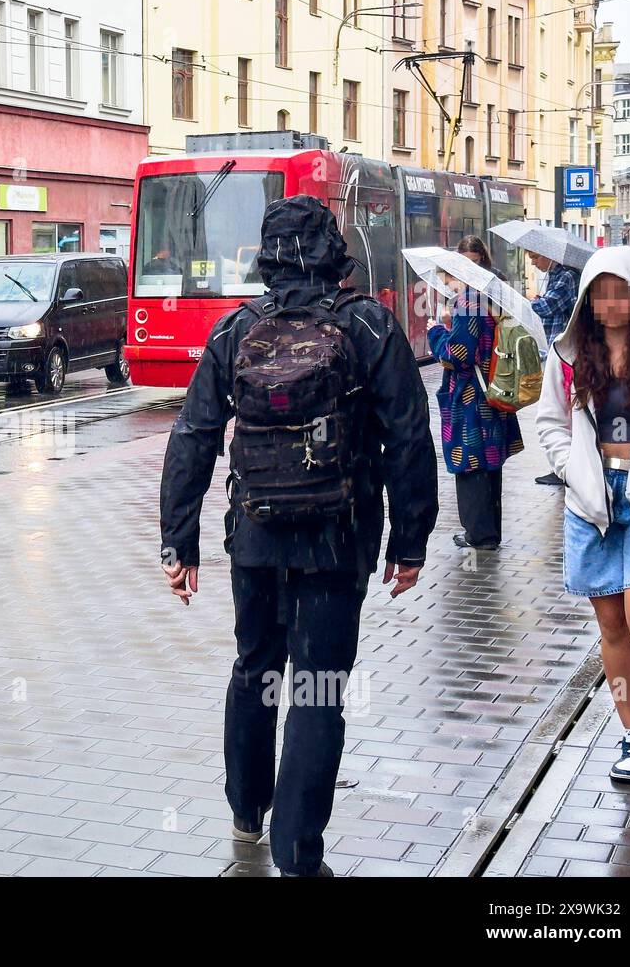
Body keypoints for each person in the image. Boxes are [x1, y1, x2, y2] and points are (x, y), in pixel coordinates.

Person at [159, 196, 439, 877]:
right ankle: (297, 853)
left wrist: (179, 542)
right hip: (338, 539)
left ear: (266, 254)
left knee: (255, 669)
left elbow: (193, 436)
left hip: (254, 537)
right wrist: (410, 541)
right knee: (317, 687)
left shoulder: (234, 331)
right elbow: (408, 436)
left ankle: (246, 811)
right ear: (333, 253)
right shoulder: (368, 326)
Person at [536, 246, 630, 791]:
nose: (611, 303)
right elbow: (550, 422)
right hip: (593, 504)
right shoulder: (568, 355)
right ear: (588, 299)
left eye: (621, 291)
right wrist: (574, 472)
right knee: (612, 627)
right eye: (600, 292)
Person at [427, 276, 523, 551]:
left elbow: (458, 355)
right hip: (492, 390)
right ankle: (490, 531)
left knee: (470, 462)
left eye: (444, 277)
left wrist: (436, 331)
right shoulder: (488, 300)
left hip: (471, 397)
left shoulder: (467, 303)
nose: (444, 283)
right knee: (490, 463)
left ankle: (478, 534)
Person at [528, 250, 580, 485]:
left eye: (536, 257)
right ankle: (559, 464)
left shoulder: (565, 277)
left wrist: (531, 303)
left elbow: (548, 308)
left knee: (564, 408)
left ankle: (564, 465)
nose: (533, 261)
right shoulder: (555, 277)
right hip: (554, 347)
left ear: (551, 256)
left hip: (562, 348)